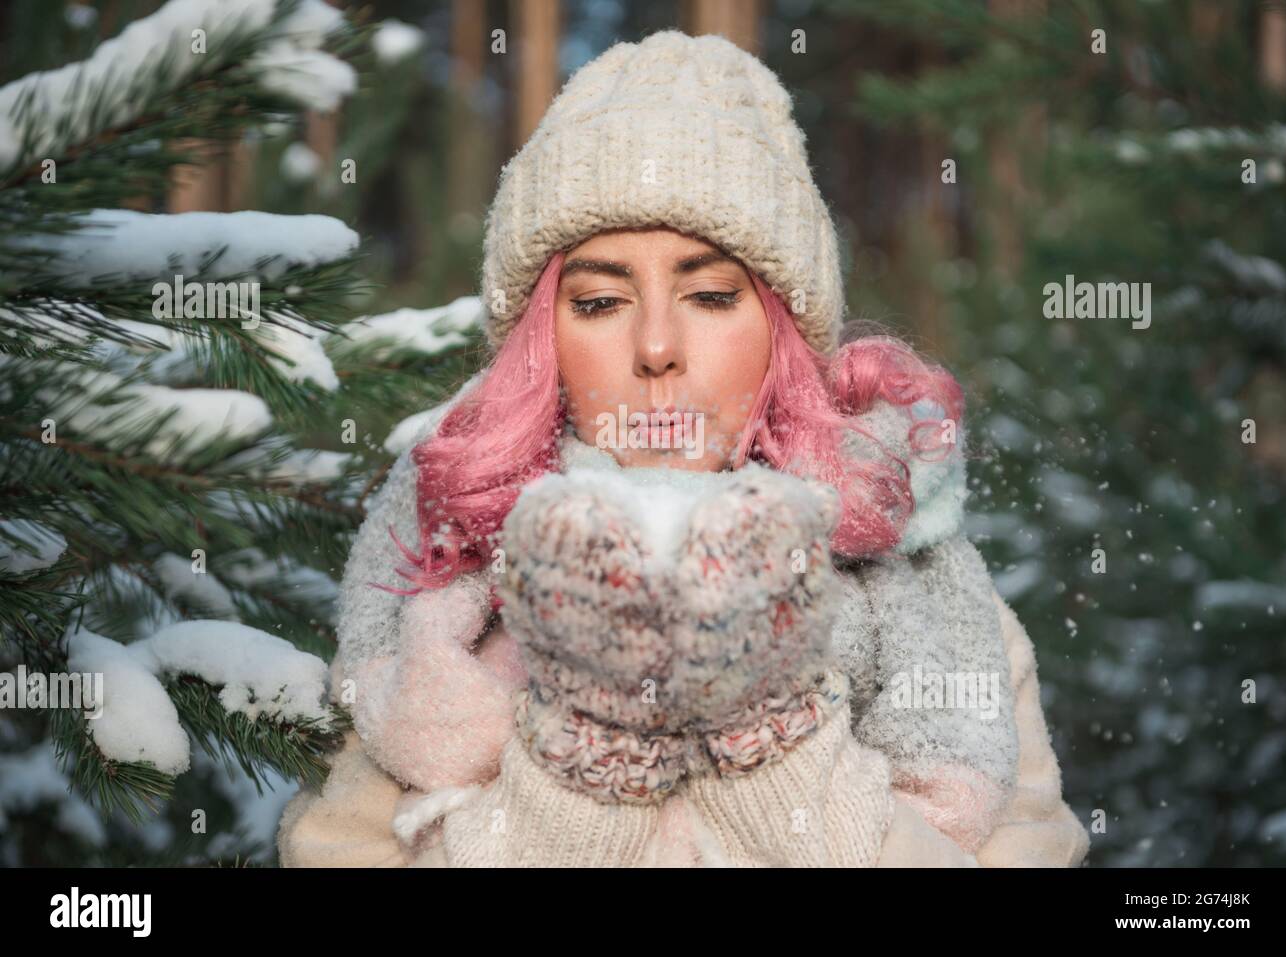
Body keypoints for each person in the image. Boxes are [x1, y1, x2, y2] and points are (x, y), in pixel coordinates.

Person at [277, 29, 1089, 868]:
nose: (656, 345)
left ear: (779, 328)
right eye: (597, 301)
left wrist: (769, 736)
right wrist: (585, 756)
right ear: (540, 341)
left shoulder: (931, 594)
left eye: (708, 294)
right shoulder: (433, 588)